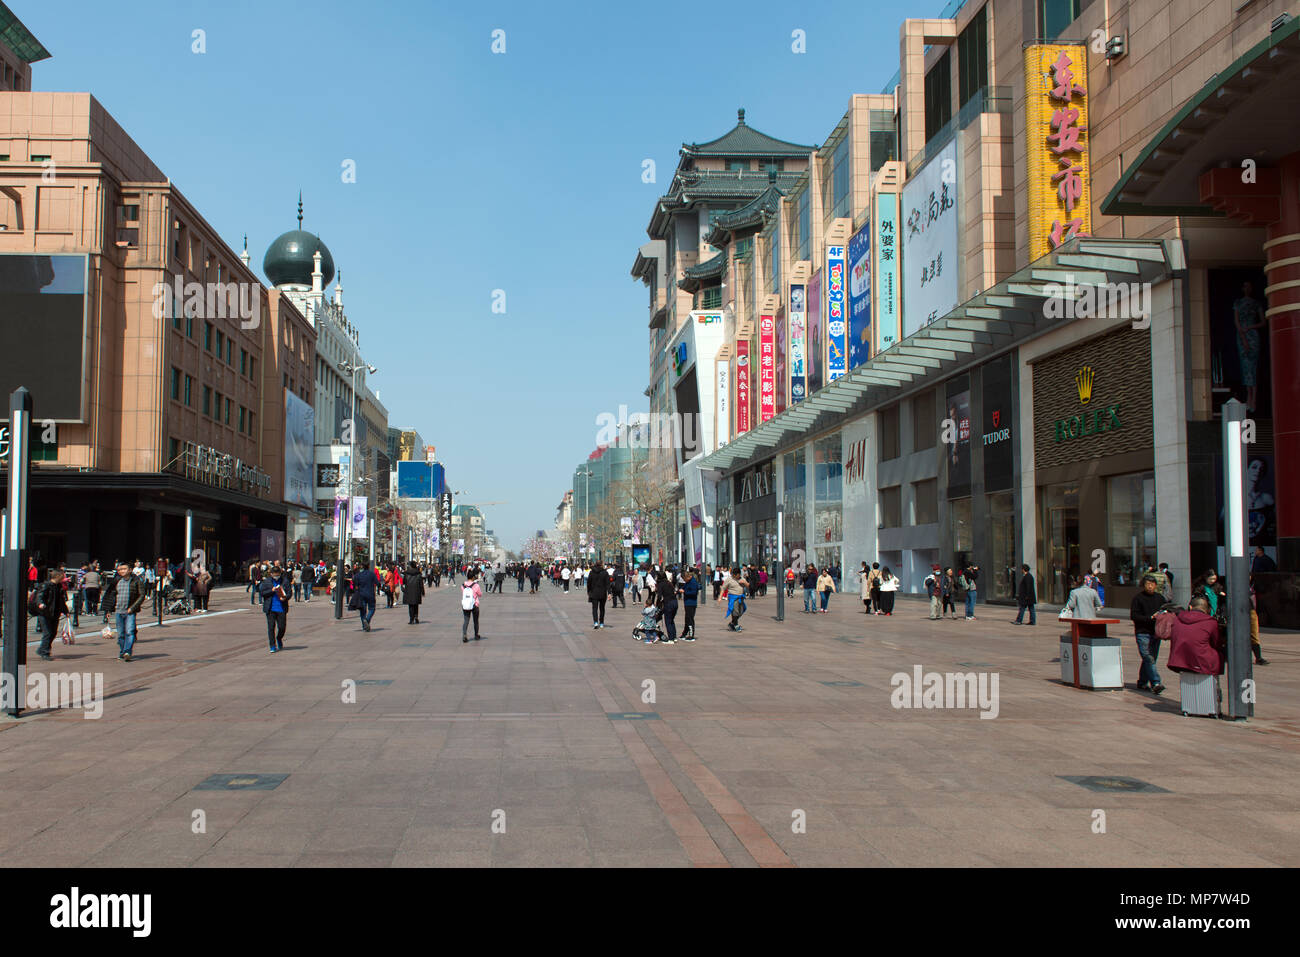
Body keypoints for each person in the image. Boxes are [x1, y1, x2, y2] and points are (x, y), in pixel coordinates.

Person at [1167, 596, 1226, 703]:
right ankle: (1213, 698)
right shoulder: (1210, 622)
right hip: (1201, 662)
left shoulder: (1177, 619)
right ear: (1207, 609)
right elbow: (1216, 643)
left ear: (1190, 607)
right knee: (1219, 654)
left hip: (1179, 660)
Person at [100, 561, 146, 662]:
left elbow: (142, 595)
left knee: (129, 631)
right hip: (118, 611)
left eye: (124, 569)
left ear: (130, 570)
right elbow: (110, 596)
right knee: (121, 634)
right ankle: (122, 652)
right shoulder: (116, 581)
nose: (121, 571)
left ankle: (127, 652)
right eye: (120, 569)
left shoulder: (136, 580)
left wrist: (132, 608)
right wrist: (108, 610)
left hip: (130, 611)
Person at [1129, 573, 1167, 693]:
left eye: (1152, 584)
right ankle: (1156, 682)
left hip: (1156, 633)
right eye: (1147, 584)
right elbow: (1134, 616)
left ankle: (1142, 682)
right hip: (1142, 632)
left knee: (1150, 659)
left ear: (1155, 585)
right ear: (1143, 585)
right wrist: (1150, 617)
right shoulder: (1138, 598)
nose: (1150, 586)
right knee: (1148, 657)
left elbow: (1166, 611)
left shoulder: (1160, 598)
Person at [32, 567, 65, 661]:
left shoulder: (58, 586)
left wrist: (65, 611)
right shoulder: (46, 585)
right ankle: (45, 652)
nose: (63, 577)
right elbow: (40, 596)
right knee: (47, 633)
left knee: (53, 633)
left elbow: (61, 600)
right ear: (58, 576)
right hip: (45, 613)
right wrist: (40, 604)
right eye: (62, 575)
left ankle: (41, 649)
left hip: (54, 613)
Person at [259, 564, 289, 653]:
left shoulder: (285, 581)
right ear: (271, 574)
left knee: (282, 627)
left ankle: (279, 638)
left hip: (281, 608)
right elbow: (262, 593)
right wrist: (271, 591)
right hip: (270, 608)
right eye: (274, 575)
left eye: (278, 574)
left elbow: (289, 593)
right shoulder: (267, 582)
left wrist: (285, 597)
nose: (276, 576)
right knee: (271, 627)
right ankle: (272, 645)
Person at [352, 559, 380, 632]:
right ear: (368, 566)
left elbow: (355, 584)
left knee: (363, 610)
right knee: (372, 609)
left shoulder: (358, 575)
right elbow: (377, 583)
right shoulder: (372, 574)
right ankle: (367, 620)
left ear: (362, 566)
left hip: (361, 594)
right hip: (370, 594)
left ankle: (364, 624)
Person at [720, 566, 749, 632]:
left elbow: (748, 585)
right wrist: (720, 597)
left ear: (739, 574)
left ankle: (732, 623)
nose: (735, 576)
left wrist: (744, 583)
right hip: (733, 597)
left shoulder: (742, 579)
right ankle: (736, 625)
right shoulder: (729, 579)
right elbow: (723, 588)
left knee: (741, 611)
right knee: (735, 611)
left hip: (740, 597)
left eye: (737, 575)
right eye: (734, 575)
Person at [655, 571, 679, 644]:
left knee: (668, 621)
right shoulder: (669, 583)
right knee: (671, 620)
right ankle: (674, 637)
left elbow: (659, 596)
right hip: (675, 602)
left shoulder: (660, 584)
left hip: (668, 603)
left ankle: (671, 639)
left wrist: (657, 604)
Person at [461, 568, 483, 642]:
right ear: (473, 577)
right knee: (475, 621)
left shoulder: (463, 585)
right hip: (474, 604)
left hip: (466, 604)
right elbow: (480, 594)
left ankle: (464, 635)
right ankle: (476, 635)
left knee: (466, 620)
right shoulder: (476, 585)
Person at [587, 561, 610, 630]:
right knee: (602, 608)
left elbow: (589, 583)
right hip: (602, 593)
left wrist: (589, 591)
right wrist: (609, 593)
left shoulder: (591, 572)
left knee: (594, 608)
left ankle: (596, 622)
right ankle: (602, 623)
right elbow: (608, 584)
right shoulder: (605, 573)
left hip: (594, 593)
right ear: (602, 565)